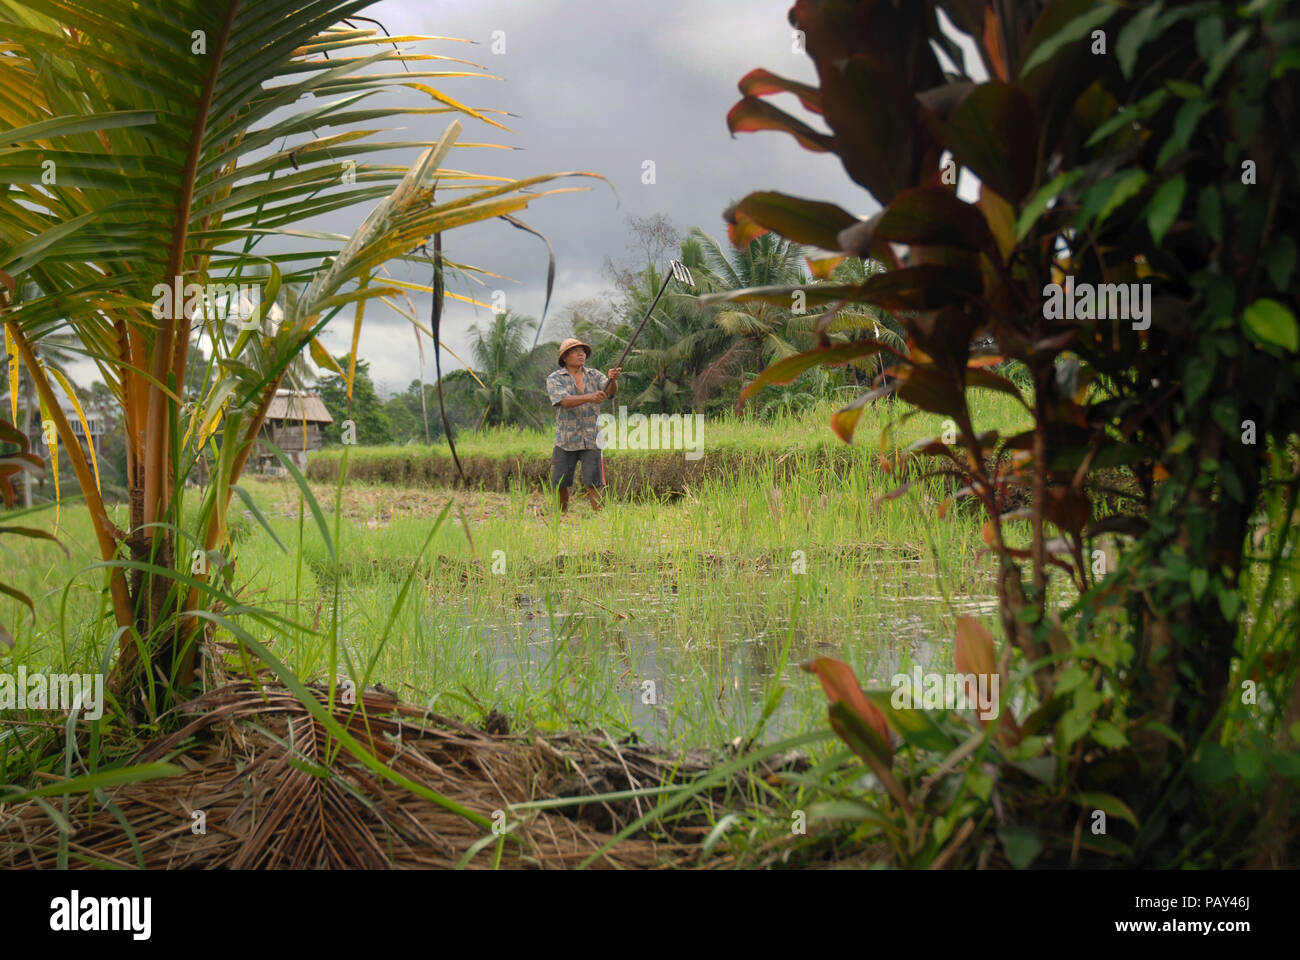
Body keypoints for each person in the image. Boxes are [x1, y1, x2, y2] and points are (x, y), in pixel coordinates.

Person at [545, 337, 621, 513]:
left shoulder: (594, 374)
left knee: (595, 481)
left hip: (592, 438)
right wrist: (590, 397)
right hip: (566, 440)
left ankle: (600, 518)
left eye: (583, 351)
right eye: (574, 351)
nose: (580, 354)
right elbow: (563, 401)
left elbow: (609, 391)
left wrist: (613, 379)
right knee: (560, 482)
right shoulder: (555, 378)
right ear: (564, 357)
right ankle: (561, 515)